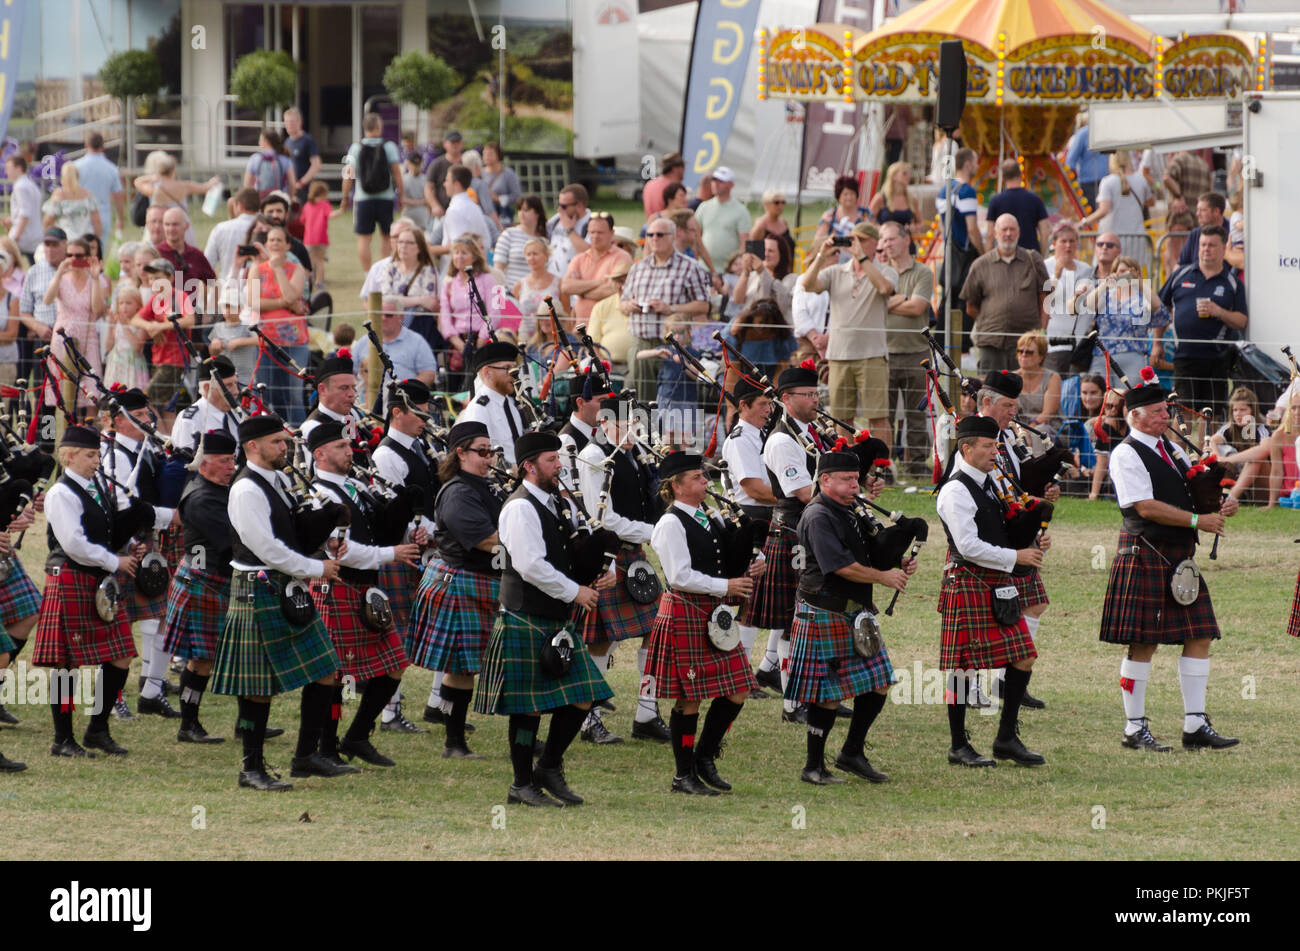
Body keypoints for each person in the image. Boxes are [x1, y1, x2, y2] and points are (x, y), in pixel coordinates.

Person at [473, 430, 618, 807]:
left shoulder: (557, 502)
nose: (560, 466)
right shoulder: (520, 507)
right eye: (552, 460)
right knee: (528, 707)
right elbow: (529, 564)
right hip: (527, 615)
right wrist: (576, 591)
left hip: (555, 617)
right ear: (529, 466)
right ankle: (521, 784)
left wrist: (604, 567)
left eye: (559, 459)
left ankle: (549, 767)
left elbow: (576, 546)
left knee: (586, 696)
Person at [1098, 369, 1240, 752]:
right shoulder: (1127, 453)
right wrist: (1198, 520)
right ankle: (1133, 727)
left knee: (1200, 633)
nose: (1167, 417)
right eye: (1159, 412)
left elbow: (1190, 488)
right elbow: (1144, 506)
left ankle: (1195, 725)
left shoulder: (1172, 448)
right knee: (1142, 643)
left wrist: (1219, 502)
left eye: (1166, 411)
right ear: (1136, 416)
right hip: (1145, 552)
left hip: (1178, 556)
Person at [209, 413, 349, 791]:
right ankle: (250, 768)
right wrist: (316, 567)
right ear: (252, 446)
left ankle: (306, 756)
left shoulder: (280, 480)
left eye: (285, 442)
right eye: (276, 442)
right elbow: (266, 548)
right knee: (257, 685)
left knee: (326, 669)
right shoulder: (246, 489)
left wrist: (324, 536)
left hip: (287, 584)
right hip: (258, 587)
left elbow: (289, 533)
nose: (284, 448)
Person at [31, 425, 167, 757]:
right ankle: (63, 739)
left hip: (98, 579)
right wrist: (114, 561)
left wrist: (130, 546)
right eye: (90, 455)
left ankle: (97, 730)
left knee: (121, 655)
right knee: (66, 665)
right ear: (68, 456)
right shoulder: (61, 494)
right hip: (70, 577)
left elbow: (103, 529)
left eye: (97, 455)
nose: (96, 461)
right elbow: (74, 543)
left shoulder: (94, 486)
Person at [789, 447, 916, 785]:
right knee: (827, 695)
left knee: (878, 684)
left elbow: (866, 551)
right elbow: (841, 566)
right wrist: (883, 577)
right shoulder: (818, 516)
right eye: (845, 480)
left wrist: (896, 562)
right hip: (823, 611)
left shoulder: (849, 508)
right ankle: (813, 766)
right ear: (824, 480)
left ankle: (852, 752)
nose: (853, 487)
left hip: (853, 612)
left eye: (855, 480)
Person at [307, 421, 423, 770]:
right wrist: (392, 554)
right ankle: (326, 747)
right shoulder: (318, 495)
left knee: (395, 664)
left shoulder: (355, 486)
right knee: (336, 673)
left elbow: (379, 529)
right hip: (338, 585)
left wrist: (405, 510)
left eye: (348, 445)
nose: (349, 451)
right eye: (341, 447)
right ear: (320, 454)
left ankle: (357, 735)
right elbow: (341, 550)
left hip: (365, 587)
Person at [646, 450, 763, 794]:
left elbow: (726, 555)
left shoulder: (705, 515)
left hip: (713, 612)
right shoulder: (670, 524)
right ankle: (683, 775)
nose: (705, 482)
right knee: (689, 698)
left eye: (704, 476)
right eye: (697, 478)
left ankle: (705, 757)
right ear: (677, 486)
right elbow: (680, 575)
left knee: (739, 689)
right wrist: (726, 585)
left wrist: (752, 565)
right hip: (685, 610)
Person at [936, 415, 1048, 768]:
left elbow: (1003, 530)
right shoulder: (955, 490)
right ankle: (958, 745)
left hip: (998, 584)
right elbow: (967, 545)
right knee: (962, 669)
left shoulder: (992, 484)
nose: (994, 451)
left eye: (996, 445)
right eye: (987, 446)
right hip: (968, 581)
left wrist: (1033, 538)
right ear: (966, 448)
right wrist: (1015, 556)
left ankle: (1006, 738)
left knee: (1024, 657)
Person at [574, 395, 668, 744]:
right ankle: (588, 720)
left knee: (654, 629)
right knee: (601, 639)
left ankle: (646, 714)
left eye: (639, 425)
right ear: (605, 423)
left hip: (634, 552)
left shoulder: (630, 453)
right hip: (608, 554)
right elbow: (603, 518)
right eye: (629, 424)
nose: (635, 431)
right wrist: (656, 533)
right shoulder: (595, 455)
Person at [408, 420, 505, 757]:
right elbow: (485, 541)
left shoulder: (483, 484)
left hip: (479, 582)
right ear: (460, 453)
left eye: (490, 451)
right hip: (461, 583)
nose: (488, 457)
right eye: (481, 451)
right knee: (460, 668)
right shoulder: (459, 492)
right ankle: (454, 742)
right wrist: (529, 547)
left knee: (468, 667)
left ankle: (460, 739)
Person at [977, 371, 1056, 709]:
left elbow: (1018, 485)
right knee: (981, 616)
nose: (1013, 411)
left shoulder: (1009, 436)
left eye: (1015, 405)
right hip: (989, 536)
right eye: (1007, 405)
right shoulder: (970, 434)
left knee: (1034, 603)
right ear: (986, 403)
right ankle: (969, 687)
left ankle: (1010, 682)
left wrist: (1042, 494)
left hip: (1018, 533)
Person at [160, 430, 239, 744]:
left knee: (234, 653)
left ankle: (246, 720)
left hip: (215, 579)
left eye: (233, 459)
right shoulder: (202, 498)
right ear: (204, 464)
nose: (231, 466)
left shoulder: (220, 488)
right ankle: (188, 724)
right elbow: (233, 542)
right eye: (224, 461)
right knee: (201, 658)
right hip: (203, 581)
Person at [799, 224, 896, 440]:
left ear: (874, 243)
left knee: (878, 417)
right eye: (853, 240)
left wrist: (862, 259)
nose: (856, 245)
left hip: (872, 356)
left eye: (862, 240)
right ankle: (848, 467)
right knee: (842, 417)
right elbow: (807, 284)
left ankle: (880, 470)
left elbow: (884, 288)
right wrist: (820, 256)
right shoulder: (836, 272)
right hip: (839, 356)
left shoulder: (886, 270)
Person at [1155, 226, 1247, 435]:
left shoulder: (1232, 283)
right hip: (1185, 356)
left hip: (1218, 358)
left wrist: (1219, 312)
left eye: (1212, 245)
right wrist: (1156, 343)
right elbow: (1161, 310)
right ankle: (1179, 460)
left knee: (1212, 415)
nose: (1206, 249)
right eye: (1203, 245)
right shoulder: (1181, 274)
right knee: (1182, 414)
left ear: (1223, 248)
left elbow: (1242, 321)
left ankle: (1210, 460)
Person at [620, 218, 710, 403]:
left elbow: (704, 305)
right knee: (641, 398)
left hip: (674, 344)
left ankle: (668, 431)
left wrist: (671, 308)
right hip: (641, 342)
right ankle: (644, 431)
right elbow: (622, 303)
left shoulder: (690, 267)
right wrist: (630, 306)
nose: (654, 238)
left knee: (672, 399)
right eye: (650, 235)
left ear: (673, 237)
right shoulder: (638, 267)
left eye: (660, 234)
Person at [880, 219, 935, 481]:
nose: (887, 245)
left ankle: (917, 463)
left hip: (916, 353)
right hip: (884, 353)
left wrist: (888, 302)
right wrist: (903, 298)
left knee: (916, 412)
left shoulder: (923, 272)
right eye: (883, 240)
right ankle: (884, 464)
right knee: (885, 415)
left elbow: (917, 308)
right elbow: (878, 304)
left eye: (891, 239)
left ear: (906, 240)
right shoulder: (878, 271)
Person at [961, 214, 1049, 374]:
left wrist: (1041, 332)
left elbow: (1046, 299)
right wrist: (992, 321)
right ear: (995, 234)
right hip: (991, 345)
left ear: (1019, 232)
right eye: (1004, 229)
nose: (1008, 233)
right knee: (991, 392)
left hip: (1027, 345)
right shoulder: (981, 265)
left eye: (1012, 229)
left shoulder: (1033, 260)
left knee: (1024, 394)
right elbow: (970, 306)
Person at [244, 226, 310, 425]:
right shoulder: (256, 270)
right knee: (266, 390)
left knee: (294, 394)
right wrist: (284, 303)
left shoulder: (295, 269)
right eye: (271, 240)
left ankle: (299, 435)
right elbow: (253, 302)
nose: (275, 244)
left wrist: (279, 269)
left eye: (279, 240)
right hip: (267, 340)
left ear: (287, 245)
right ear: (266, 244)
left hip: (295, 341)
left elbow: (292, 295)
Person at [44, 235, 107, 414]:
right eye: (70, 255)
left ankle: (89, 436)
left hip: (88, 338)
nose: (74, 259)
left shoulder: (97, 279)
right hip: (63, 337)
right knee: (66, 393)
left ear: (88, 257)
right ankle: (69, 434)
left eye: (79, 256)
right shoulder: (61, 278)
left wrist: (95, 278)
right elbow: (47, 300)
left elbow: (97, 308)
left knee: (90, 391)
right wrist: (59, 273)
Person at [341, 113, 404, 272]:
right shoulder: (389, 146)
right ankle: (384, 271)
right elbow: (396, 172)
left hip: (363, 198)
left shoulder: (356, 148)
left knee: (364, 238)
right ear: (379, 127)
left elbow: (348, 175)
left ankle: (368, 273)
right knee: (386, 237)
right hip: (386, 197)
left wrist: (345, 197)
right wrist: (401, 194)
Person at [1083, 254, 1160, 383]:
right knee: (1099, 397)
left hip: (1132, 355)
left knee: (1128, 399)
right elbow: (1089, 304)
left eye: (1128, 272)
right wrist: (1105, 285)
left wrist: (1139, 282)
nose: (1123, 275)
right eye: (1120, 272)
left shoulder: (1142, 297)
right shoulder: (1106, 295)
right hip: (1102, 356)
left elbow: (1156, 305)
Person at [936, 148, 985, 325]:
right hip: (965, 256)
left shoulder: (944, 191)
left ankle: (944, 344)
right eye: (975, 162)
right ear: (967, 164)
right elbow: (972, 229)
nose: (977, 166)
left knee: (947, 302)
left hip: (951, 253)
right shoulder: (967, 192)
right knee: (965, 303)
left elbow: (943, 226)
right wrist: (983, 253)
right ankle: (963, 348)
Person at [457, 341, 526, 466]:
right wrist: (511, 470)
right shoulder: (479, 409)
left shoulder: (511, 403)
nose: (514, 374)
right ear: (487, 372)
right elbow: (477, 454)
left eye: (515, 368)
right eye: (507, 368)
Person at [1041, 221, 1095, 374]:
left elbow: (1089, 305)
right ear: (1054, 244)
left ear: (1077, 244)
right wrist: (1056, 275)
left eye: (1072, 241)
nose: (1068, 246)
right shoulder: (1045, 266)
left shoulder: (1086, 269)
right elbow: (1044, 300)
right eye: (1063, 241)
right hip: (1054, 343)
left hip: (1079, 345)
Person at [133, 151, 219, 247]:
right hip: (180, 223)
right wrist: (213, 181)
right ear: (173, 169)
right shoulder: (184, 186)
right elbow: (205, 188)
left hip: (160, 225)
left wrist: (152, 177)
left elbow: (137, 182)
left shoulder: (155, 189)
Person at [1080, 151, 1152, 267]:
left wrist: (1083, 222)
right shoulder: (1141, 180)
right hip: (1136, 239)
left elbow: (1104, 210)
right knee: (1133, 278)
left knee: (1107, 278)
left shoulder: (1108, 182)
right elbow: (1150, 202)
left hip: (1111, 241)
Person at [560, 211, 632, 325]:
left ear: (611, 233)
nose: (595, 236)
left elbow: (612, 290)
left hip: (607, 327)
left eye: (600, 232)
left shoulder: (622, 257)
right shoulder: (579, 259)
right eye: (592, 232)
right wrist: (598, 283)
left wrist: (580, 291)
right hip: (581, 327)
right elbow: (565, 286)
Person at [155, 207, 217, 307]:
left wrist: (208, 310)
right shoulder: (156, 253)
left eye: (175, 224)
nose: (171, 229)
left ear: (186, 226)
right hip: (163, 315)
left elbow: (213, 283)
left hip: (191, 315)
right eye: (167, 224)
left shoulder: (196, 254)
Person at [730, 233, 795, 324]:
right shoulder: (753, 276)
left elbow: (782, 305)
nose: (766, 254)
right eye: (764, 250)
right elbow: (738, 300)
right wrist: (745, 272)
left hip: (774, 330)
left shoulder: (791, 279)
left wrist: (763, 272)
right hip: (748, 326)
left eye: (771, 251)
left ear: (781, 254)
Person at [694, 166, 750, 268]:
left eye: (721, 181)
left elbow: (744, 244)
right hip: (703, 267)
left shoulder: (741, 211)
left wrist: (739, 267)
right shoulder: (703, 207)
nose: (715, 184)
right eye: (714, 181)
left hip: (728, 270)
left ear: (731, 185)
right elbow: (695, 236)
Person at [74, 132, 125, 241]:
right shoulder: (111, 168)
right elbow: (118, 195)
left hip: (80, 214)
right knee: (100, 252)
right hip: (103, 214)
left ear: (86, 145)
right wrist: (120, 218)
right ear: (103, 146)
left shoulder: (76, 166)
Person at [204, 187, 262, 282]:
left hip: (227, 285)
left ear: (239, 206)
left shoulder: (220, 228)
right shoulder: (266, 228)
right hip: (258, 288)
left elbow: (208, 264)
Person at [494, 195, 548, 292]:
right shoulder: (508, 234)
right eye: (519, 210)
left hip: (538, 294)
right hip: (511, 293)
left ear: (537, 213)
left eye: (526, 210)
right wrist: (500, 298)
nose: (521, 214)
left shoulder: (545, 239)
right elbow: (498, 269)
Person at [1014, 331, 1061, 441]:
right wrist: (1020, 431)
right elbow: (1010, 412)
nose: (1023, 355)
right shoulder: (1012, 378)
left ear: (1041, 357)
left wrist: (1029, 430)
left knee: (1039, 432)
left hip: (1047, 427)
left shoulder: (1052, 377)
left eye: (1029, 352)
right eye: (1020, 351)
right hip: (1019, 427)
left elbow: (1048, 413)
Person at [515, 238, 565, 340]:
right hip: (525, 339)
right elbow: (514, 315)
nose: (532, 258)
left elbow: (566, 314)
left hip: (552, 339)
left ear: (546, 256)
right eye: (528, 254)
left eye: (535, 254)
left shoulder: (559, 283)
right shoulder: (519, 285)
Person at [103, 283, 149, 392]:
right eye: (121, 303)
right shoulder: (117, 323)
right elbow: (108, 346)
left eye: (128, 303)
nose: (124, 306)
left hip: (133, 366)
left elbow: (137, 347)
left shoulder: (140, 324)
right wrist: (111, 326)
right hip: (116, 365)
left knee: (132, 397)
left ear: (138, 305)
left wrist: (125, 326)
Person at [586, 258, 633, 365]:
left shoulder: (645, 304)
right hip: (608, 365)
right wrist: (604, 366)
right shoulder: (601, 307)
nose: (623, 286)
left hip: (640, 367)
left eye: (628, 281)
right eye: (620, 281)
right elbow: (592, 345)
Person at [42, 163, 102, 242]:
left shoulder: (59, 195)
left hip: (66, 239)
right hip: (86, 239)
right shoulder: (88, 195)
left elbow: (48, 220)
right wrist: (97, 239)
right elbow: (96, 220)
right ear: (78, 176)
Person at [546, 183, 592, 278]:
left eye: (563, 206)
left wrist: (569, 230)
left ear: (579, 205)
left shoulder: (591, 223)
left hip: (572, 284)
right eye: (558, 205)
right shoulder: (557, 219)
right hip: (552, 283)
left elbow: (589, 252)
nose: (559, 209)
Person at [813, 175, 868, 252]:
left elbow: (872, 238)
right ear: (838, 196)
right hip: (834, 257)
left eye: (852, 193)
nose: (849, 197)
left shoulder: (865, 214)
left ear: (857, 194)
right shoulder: (829, 216)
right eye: (845, 194)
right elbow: (817, 241)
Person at [4, 156, 43, 263]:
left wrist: (15, 237)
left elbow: (25, 214)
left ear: (19, 168)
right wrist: (12, 219)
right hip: (35, 235)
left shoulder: (20, 186)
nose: (6, 172)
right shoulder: (31, 185)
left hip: (23, 237)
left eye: (8, 168)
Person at [1064, 114, 1107, 209]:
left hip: (1107, 181)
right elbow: (1070, 162)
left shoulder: (1106, 131)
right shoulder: (1082, 134)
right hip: (1089, 184)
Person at [870, 161, 922, 240]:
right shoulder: (880, 198)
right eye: (904, 173)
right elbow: (868, 220)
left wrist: (914, 227)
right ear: (893, 176)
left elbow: (920, 222)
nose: (908, 176)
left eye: (909, 173)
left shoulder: (912, 199)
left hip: (906, 243)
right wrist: (880, 228)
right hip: (885, 243)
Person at [300, 180, 337, 289]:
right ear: (323, 194)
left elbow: (302, 220)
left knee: (309, 262)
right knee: (320, 262)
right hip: (321, 238)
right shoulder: (325, 204)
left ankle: (309, 281)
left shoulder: (307, 205)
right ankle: (319, 282)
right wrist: (340, 211)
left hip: (309, 239)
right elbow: (331, 215)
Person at [242, 129, 297, 200]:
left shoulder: (255, 158)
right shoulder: (285, 159)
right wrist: (290, 199)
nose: (259, 143)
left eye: (260, 140)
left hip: (260, 199)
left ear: (266, 141)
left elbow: (247, 184)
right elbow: (292, 184)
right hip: (281, 199)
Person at [283, 107, 320, 206]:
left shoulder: (308, 140)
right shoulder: (287, 142)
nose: (289, 125)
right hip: (289, 189)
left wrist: (301, 183)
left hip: (304, 190)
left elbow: (316, 165)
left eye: (292, 121)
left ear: (300, 122)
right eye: (286, 122)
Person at [1162, 150, 1213, 219]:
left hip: (1181, 217)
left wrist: (1178, 197)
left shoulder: (1179, 159)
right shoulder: (1204, 165)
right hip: (1198, 219)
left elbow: (1166, 178)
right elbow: (1210, 194)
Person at [424, 131, 465, 217]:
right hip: (442, 212)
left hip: (463, 210)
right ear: (445, 144)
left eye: (457, 142)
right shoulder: (437, 164)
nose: (455, 145)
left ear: (462, 144)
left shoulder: (466, 162)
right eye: (452, 142)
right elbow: (428, 188)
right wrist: (435, 206)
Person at [481, 142, 521, 226]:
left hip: (503, 215)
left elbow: (516, 195)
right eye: (484, 154)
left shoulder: (508, 174)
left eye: (490, 154)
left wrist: (498, 199)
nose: (487, 157)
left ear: (498, 155)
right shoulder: (480, 173)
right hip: (484, 214)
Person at [642, 151, 685, 220]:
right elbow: (683, 214)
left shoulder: (649, 184)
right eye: (683, 167)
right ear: (676, 168)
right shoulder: (675, 188)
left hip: (651, 227)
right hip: (669, 227)